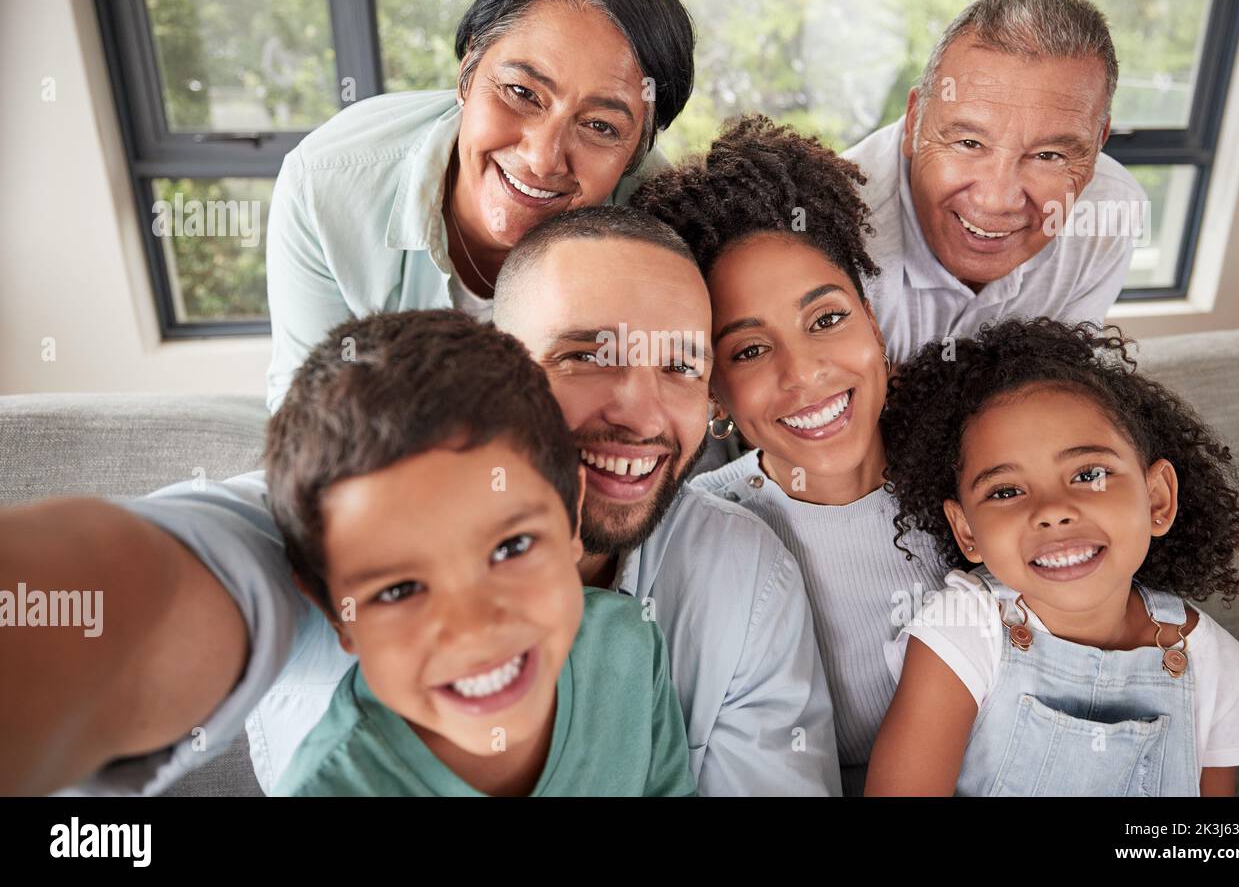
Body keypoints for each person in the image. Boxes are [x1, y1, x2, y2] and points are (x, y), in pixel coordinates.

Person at [0, 207, 838, 798]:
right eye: (586, 354)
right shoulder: (334, 504)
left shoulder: (727, 588)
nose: (641, 412)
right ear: (499, 363)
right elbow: (121, 597)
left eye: (681, 367)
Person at [633, 115, 948, 795]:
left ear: (872, 322)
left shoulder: (972, 482)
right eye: (748, 349)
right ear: (712, 390)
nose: (802, 374)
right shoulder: (693, 541)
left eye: (827, 319)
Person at [264, 309, 694, 796]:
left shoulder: (628, 646)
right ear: (333, 612)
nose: (474, 630)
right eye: (399, 589)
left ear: (572, 514)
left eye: (511, 547)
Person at [263, 0, 694, 410]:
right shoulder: (326, 184)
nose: (543, 158)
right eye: (521, 92)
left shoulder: (657, 212)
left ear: (637, 150)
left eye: (599, 126)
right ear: (468, 70)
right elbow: (307, 417)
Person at [866, 319, 1239, 796]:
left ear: (1158, 499)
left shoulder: (1215, 664)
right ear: (966, 531)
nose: (1052, 511)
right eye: (1006, 491)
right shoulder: (963, 629)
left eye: (1088, 475)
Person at [841, 0, 1144, 364]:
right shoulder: (834, 226)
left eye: (1048, 155)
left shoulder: (1111, 212)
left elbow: (1055, 391)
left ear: (1099, 142)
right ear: (914, 122)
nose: (995, 200)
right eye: (968, 143)